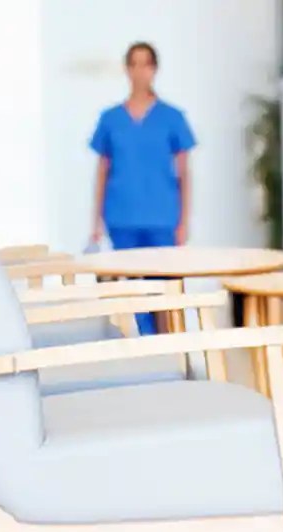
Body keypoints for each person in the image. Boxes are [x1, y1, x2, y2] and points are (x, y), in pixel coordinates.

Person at [88, 41, 196, 335]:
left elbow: (185, 174)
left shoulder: (172, 118)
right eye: (133, 64)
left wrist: (184, 221)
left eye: (145, 64)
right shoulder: (110, 119)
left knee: (163, 289)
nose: (139, 71)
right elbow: (101, 172)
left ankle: (168, 347)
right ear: (126, 69)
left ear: (154, 69)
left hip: (162, 217)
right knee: (133, 291)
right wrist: (95, 222)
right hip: (122, 216)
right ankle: (144, 349)